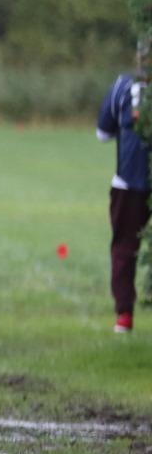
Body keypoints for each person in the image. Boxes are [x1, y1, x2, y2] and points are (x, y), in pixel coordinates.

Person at [98, 52, 149, 334]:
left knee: (124, 249)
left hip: (129, 182)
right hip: (131, 182)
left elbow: (102, 133)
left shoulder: (122, 85)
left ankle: (124, 315)